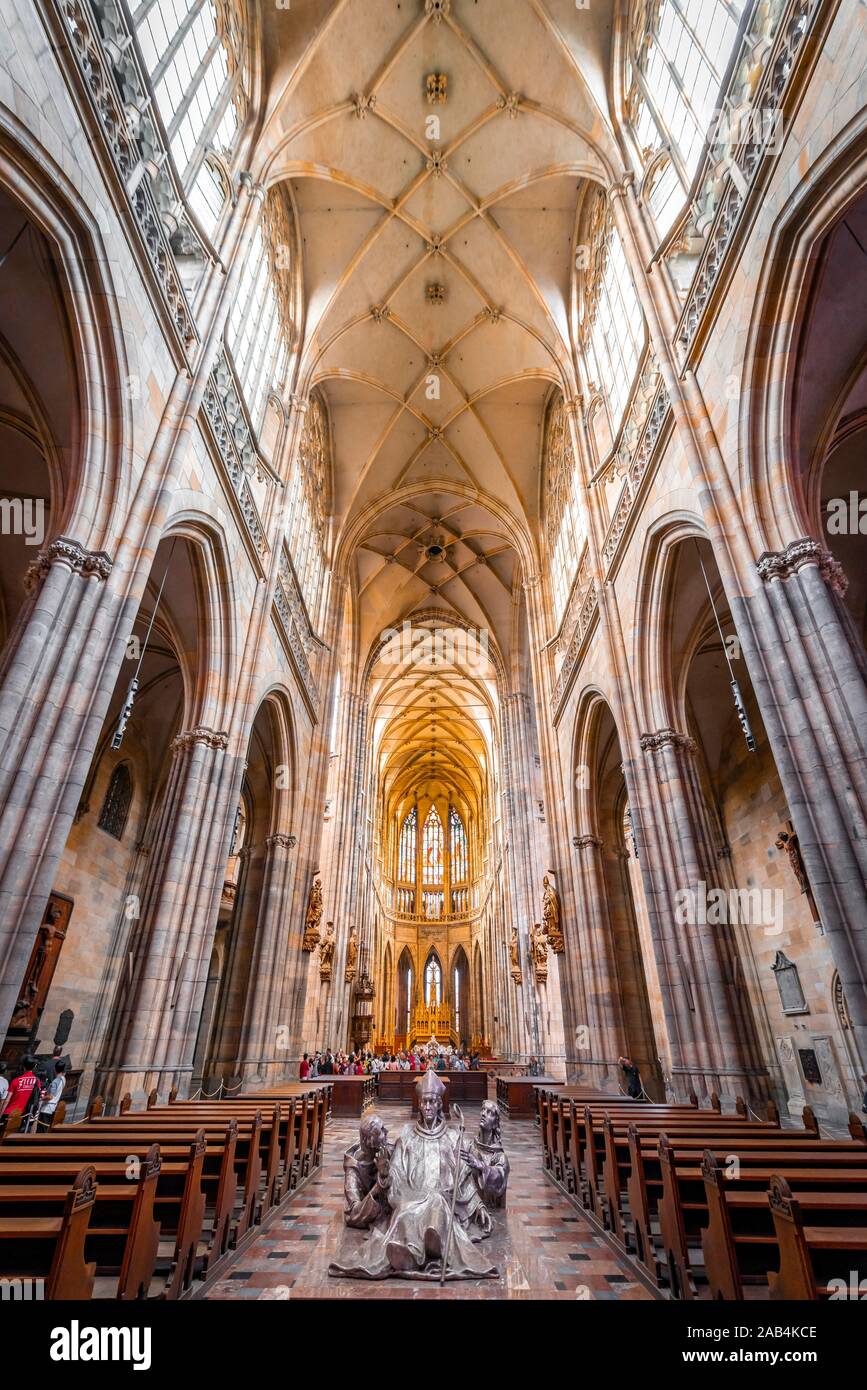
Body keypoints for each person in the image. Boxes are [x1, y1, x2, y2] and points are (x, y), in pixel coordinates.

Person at [328, 1069, 498, 1281]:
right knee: (404, 1211)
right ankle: (413, 1252)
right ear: (419, 1104)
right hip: (410, 1198)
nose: (427, 1106)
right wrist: (389, 1180)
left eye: (432, 1102)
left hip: (440, 1199)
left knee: (436, 1202)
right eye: (424, 1102)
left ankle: (426, 1246)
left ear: (439, 1105)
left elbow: (463, 1177)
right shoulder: (407, 1135)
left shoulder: (453, 1137)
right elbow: (396, 1173)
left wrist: (477, 1204)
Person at [1, 1056, 41, 1122]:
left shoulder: (15, 1081)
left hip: (9, 1113)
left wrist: (1, 1114)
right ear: (34, 1067)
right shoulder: (37, 1081)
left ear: (23, 1067)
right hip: (22, 1114)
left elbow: (7, 1100)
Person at [37, 1061, 66, 1131]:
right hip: (53, 1107)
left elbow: (50, 1096)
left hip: (47, 1108)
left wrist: (41, 1098)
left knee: (41, 1130)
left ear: (55, 1069)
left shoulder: (55, 1081)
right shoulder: (63, 1079)